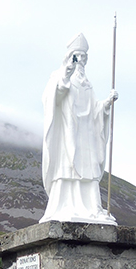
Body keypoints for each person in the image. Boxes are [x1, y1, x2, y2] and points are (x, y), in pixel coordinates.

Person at [39, 33, 119, 225]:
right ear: (69, 57)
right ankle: (65, 206)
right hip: (68, 132)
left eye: (84, 57)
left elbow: (94, 111)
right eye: (77, 56)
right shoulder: (59, 76)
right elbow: (53, 97)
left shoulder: (88, 85)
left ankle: (93, 208)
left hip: (87, 135)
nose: (81, 61)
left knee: (88, 170)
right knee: (68, 168)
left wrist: (107, 104)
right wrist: (66, 72)